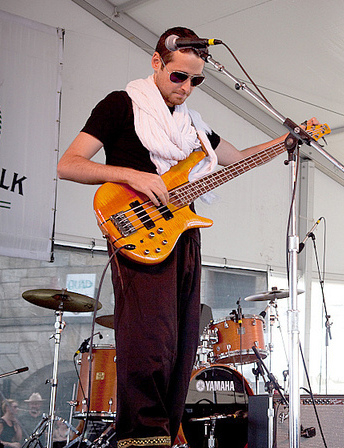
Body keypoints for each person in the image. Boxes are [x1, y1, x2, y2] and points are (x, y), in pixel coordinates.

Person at [57, 26, 316, 448]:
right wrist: (131, 174)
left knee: (181, 345)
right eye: (179, 76)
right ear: (157, 63)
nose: (187, 88)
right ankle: (139, 439)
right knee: (150, 342)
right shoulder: (121, 106)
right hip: (138, 232)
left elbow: (238, 158)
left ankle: (165, 435)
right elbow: (69, 164)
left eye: (196, 80)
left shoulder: (194, 127)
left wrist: (286, 142)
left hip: (183, 234)